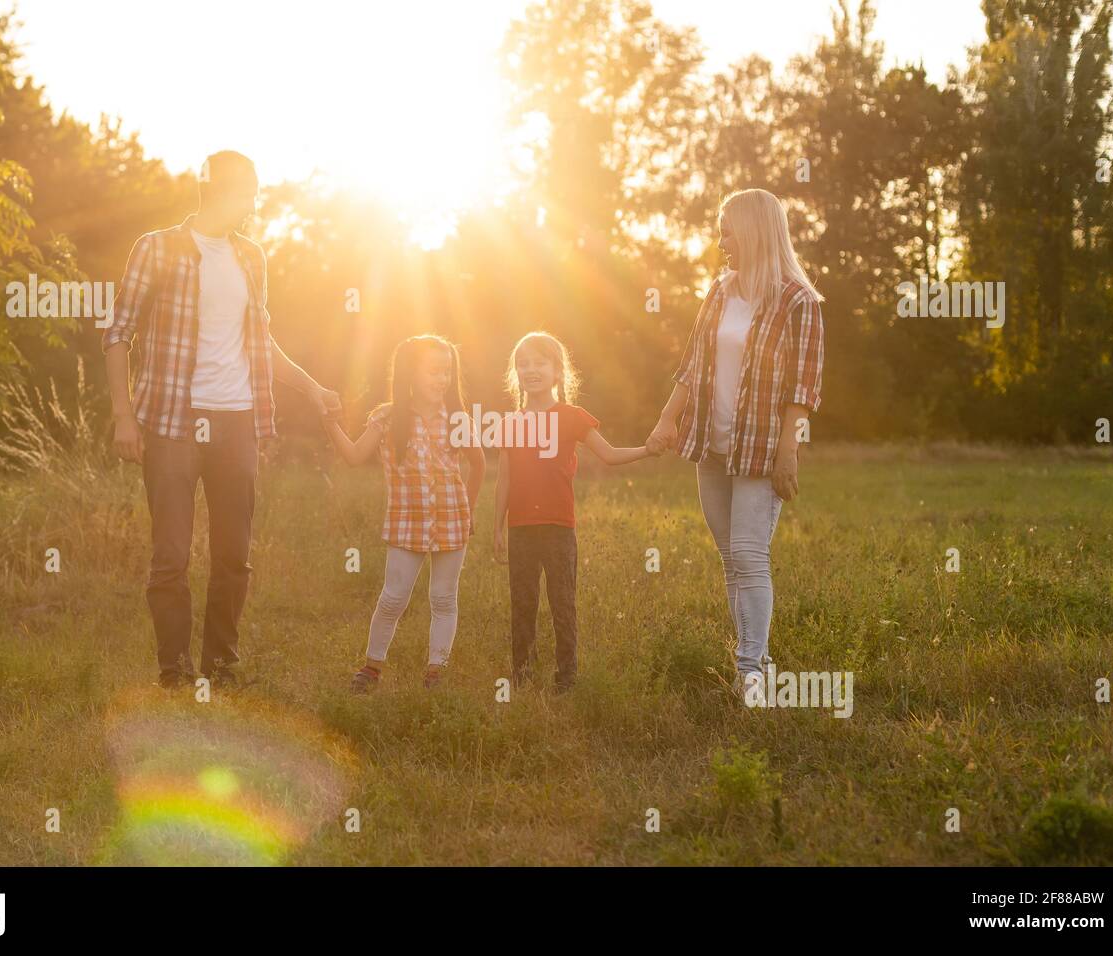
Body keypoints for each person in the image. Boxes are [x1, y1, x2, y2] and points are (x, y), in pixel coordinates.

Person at [102, 150, 340, 689]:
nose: (254, 204)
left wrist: (312, 387)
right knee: (171, 553)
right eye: (249, 193)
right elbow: (118, 333)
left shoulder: (250, 257)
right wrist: (124, 417)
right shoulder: (157, 248)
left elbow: (261, 341)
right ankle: (174, 669)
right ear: (224, 192)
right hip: (172, 422)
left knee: (234, 555)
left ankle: (220, 662)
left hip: (237, 421)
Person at [647, 188, 825, 707]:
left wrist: (787, 452)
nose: (720, 240)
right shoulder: (720, 291)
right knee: (731, 559)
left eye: (727, 230)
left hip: (760, 449)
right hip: (713, 444)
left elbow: (803, 388)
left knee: (750, 555)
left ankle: (750, 675)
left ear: (752, 232)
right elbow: (692, 364)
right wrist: (666, 419)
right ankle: (756, 662)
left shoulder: (799, 300)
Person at [322, 335, 486, 691]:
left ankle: (435, 673)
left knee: (444, 598)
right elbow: (353, 456)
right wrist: (330, 423)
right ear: (410, 373)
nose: (441, 379)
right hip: (406, 521)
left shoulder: (457, 418)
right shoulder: (386, 418)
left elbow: (479, 464)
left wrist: (469, 510)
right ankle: (371, 668)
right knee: (393, 597)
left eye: (446, 372)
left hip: (451, 519)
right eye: (433, 371)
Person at [493, 332, 654, 692]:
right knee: (523, 604)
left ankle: (566, 677)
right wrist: (497, 528)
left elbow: (609, 454)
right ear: (516, 373)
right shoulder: (510, 423)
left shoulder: (572, 417)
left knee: (562, 601)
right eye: (523, 364)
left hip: (558, 528)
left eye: (539, 362)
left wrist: (648, 450)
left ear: (557, 371)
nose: (531, 370)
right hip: (520, 528)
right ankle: (522, 675)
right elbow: (503, 479)